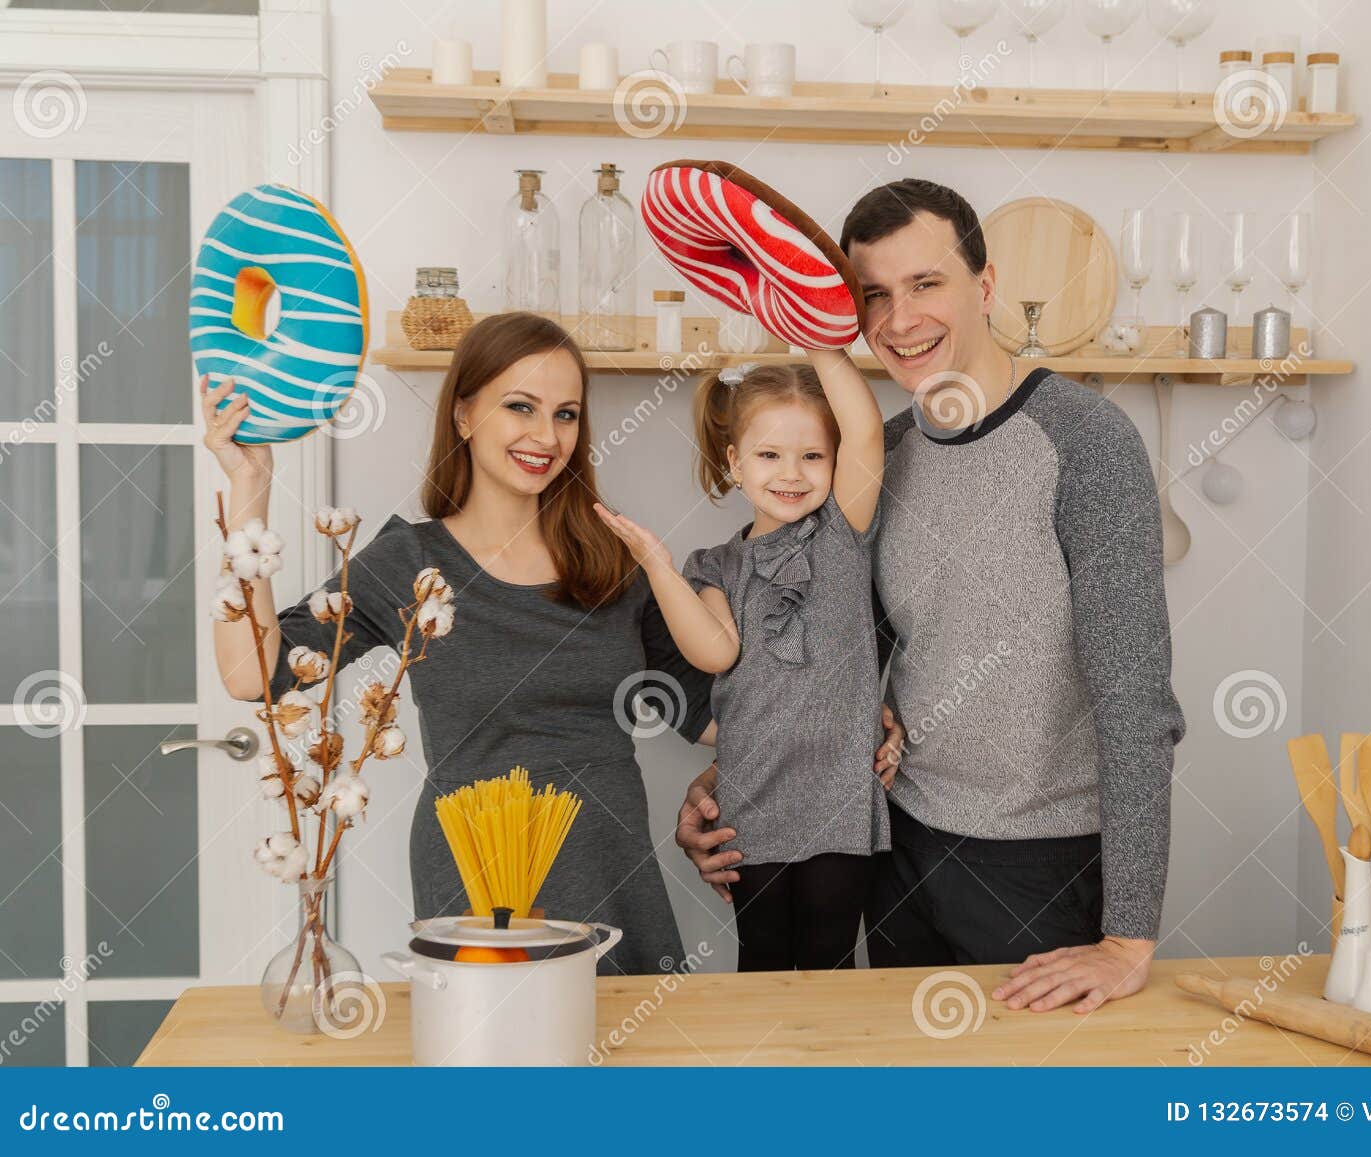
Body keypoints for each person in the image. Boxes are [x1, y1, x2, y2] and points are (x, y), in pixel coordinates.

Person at [677, 179, 1187, 1012]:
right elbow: (826, 657)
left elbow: (1136, 699)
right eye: (874, 295)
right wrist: (727, 785)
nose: (899, 319)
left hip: (1038, 861)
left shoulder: (1084, 442)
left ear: (984, 288)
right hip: (891, 843)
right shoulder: (886, 456)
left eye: (925, 284)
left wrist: (1129, 938)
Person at [204, 311, 720, 975]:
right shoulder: (408, 563)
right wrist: (250, 491)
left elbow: (712, 714)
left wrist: (847, 715)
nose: (546, 435)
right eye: (520, 407)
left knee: (637, 1076)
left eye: (566, 414)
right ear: (465, 415)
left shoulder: (615, 564)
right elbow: (254, 674)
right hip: (476, 884)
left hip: (611, 875)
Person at [594, 350, 897, 971]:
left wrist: (812, 329)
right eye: (769, 455)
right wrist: (656, 563)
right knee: (760, 961)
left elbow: (866, 425)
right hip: (753, 797)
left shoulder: (845, 532)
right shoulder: (715, 566)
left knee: (828, 961)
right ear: (734, 462)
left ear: (837, 463)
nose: (792, 473)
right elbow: (715, 649)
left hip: (838, 798)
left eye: (812, 455)